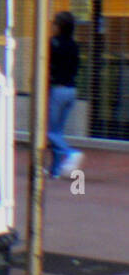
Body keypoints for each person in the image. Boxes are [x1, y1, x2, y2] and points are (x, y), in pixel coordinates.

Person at [48, 11, 81, 179]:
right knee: (57, 131)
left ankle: (71, 153)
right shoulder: (74, 45)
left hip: (57, 91)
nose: (52, 26)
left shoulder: (53, 43)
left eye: (54, 23)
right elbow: (76, 67)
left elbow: (47, 65)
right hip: (71, 90)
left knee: (49, 132)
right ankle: (55, 170)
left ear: (59, 27)